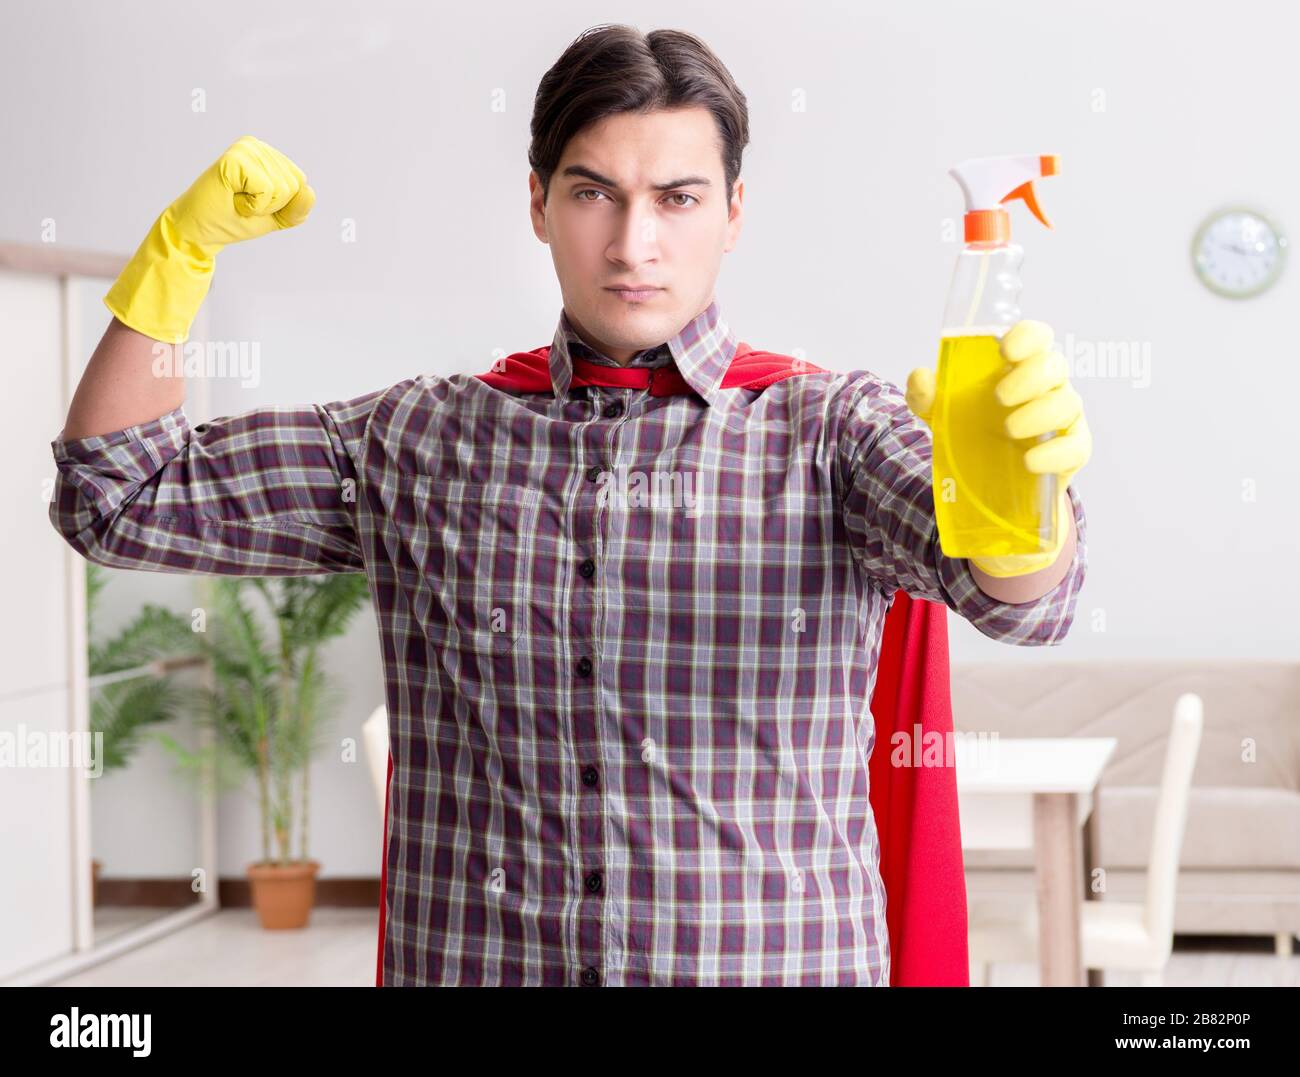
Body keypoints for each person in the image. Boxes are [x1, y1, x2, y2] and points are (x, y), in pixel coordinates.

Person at [49, 24, 1090, 986]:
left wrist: (1022, 492)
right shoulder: (416, 439)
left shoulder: (831, 433)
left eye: (678, 198)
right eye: (595, 193)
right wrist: (174, 264)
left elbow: (1022, 602)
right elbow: (119, 497)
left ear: (733, 213)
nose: (634, 243)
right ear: (538, 202)